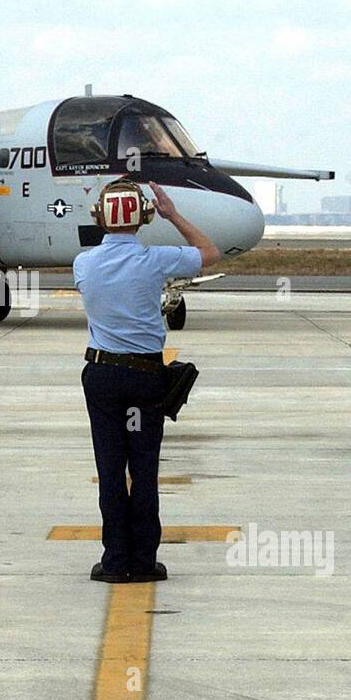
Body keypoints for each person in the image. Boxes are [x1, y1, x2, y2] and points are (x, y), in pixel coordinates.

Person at [73, 177, 220, 582]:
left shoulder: (83, 264)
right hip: (144, 378)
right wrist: (173, 215)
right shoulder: (156, 259)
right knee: (144, 469)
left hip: (103, 375)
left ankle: (115, 560)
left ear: (100, 218)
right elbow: (209, 252)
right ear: (144, 217)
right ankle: (144, 561)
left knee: (110, 469)